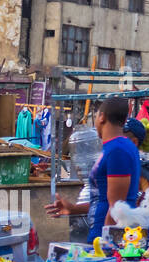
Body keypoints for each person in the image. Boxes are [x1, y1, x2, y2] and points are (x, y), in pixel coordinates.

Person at [46, 97, 141, 243]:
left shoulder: (118, 150)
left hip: (108, 240)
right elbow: (104, 199)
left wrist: (105, 244)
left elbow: (117, 206)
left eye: (96, 115)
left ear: (102, 117)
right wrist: (73, 209)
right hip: (102, 234)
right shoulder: (114, 147)